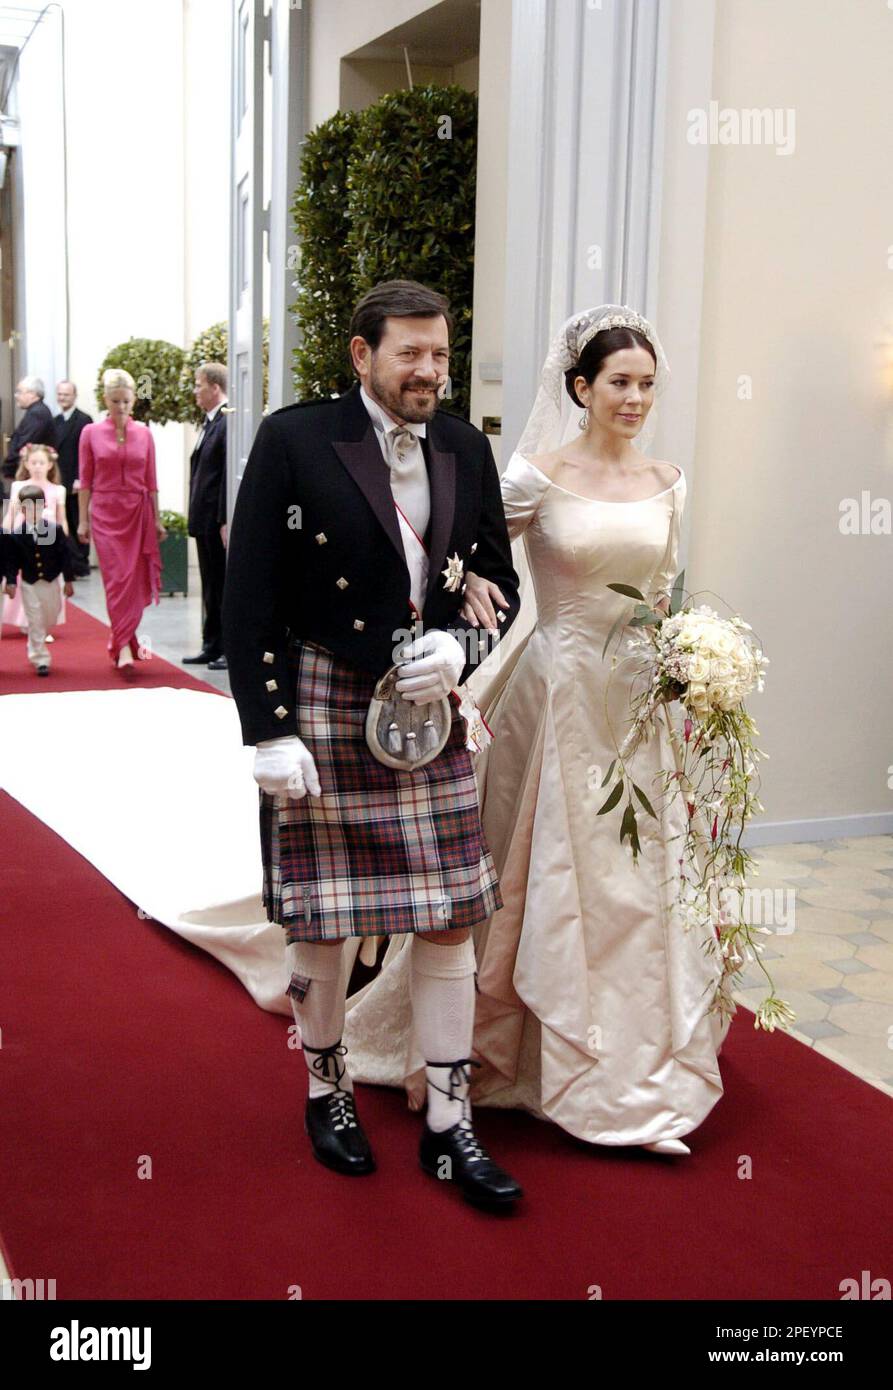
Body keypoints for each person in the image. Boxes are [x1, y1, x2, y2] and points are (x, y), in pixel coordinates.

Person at [344, 306, 728, 1156]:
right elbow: (463, 556)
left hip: (638, 705)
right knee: (551, 874)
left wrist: (693, 667)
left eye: (646, 385)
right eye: (619, 383)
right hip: (556, 696)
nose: (635, 398)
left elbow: (663, 592)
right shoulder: (534, 476)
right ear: (581, 388)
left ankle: (632, 1074)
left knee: (633, 882)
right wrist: (426, 631)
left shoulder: (669, 478)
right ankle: (515, 1052)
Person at [222, 278, 525, 1210]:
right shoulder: (294, 439)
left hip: (422, 709)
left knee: (444, 913)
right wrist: (268, 730)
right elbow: (250, 595)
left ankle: (447, 1121)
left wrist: (461, 645)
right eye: (411, 354)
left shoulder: (466, 447)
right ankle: (326, 1093)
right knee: (326, 916)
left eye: (440, 353)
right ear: (363, 356)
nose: (430, 370)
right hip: (320, 697)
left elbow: (496, 581)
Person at [77, 369, 166, 668]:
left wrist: (157, 519)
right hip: (105, 513)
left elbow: (152, 482)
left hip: (138, 513)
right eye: (115, 401)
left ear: (134, 400)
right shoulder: (90, 432)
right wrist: (83, 521)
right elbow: (85, 481)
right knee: (116, 581)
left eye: (126, 401)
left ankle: (125, 638)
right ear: (105, 399)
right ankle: (123, 646)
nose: (121, 407)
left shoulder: (144, 433)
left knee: (134, 581)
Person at [2, 483, 75, 675]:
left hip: (51, 581)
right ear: (21, 509)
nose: (33, 511)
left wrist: (68, 580)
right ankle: (40, 658)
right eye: (27, 507)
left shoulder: (54, 530)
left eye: (37, 506)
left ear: (44, 506)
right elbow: (12, 561)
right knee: (34, 619)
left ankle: (36, 641)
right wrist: (11, 581)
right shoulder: (17, 534)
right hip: (30, 583)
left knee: (50, 615)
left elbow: (65, 556)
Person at [183, 362, 229, 670]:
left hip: (216, 519)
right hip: (203, 518)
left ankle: (226, 647)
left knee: (222, 586)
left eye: (199, 385)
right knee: (210, 587)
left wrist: (225, 517)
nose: (195, 391)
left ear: (215, 387)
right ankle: (210, 644)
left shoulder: (227, 422)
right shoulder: (209, 421)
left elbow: (226, 474)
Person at [1, 443, 69, 637]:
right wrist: (5, 535)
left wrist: (63, 541)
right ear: (27, 464)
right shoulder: (18, 486)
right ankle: (28, 621)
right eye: (34, 462)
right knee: (27, 580)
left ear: (49, 465)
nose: (38, 466)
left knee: (46, 582)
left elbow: (61, 518)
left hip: (49, 541)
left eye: (41, 462)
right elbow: (11, 513)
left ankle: (44, 623)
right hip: (23, 540)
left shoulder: (58, 489)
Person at [53, 380, 93, 577]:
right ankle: (67, 563)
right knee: (63, 521)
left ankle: (80, 564)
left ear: (74, 396)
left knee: (79, 520)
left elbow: (87, 453)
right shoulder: (55, 421)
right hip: (60, 479)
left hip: (77, 482)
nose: (62, 398)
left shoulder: (84, 420)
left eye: (66, 394)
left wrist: (81, 478)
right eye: (60, 394)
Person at [2, 377, 55, 485]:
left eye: (19, 392)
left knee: (29, 502)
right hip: (30, 474)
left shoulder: (37, 414)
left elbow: (25, 445)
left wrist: (7, 467)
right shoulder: (36, 411)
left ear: (32, 394)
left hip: (31, 476)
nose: (16, 396)